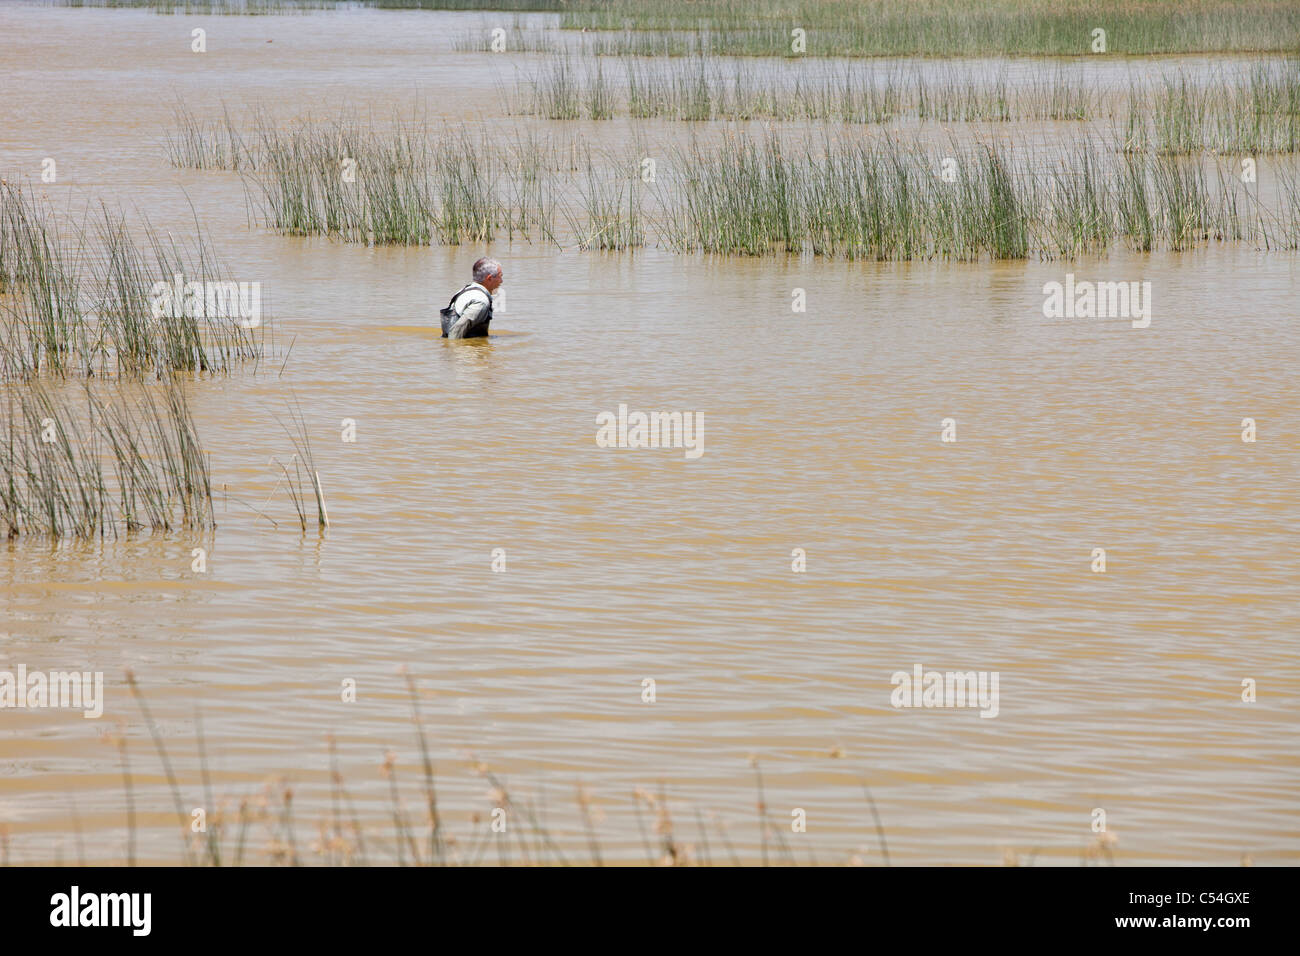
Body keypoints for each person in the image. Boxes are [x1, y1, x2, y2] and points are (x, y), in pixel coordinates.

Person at [440, 257, 503, 339]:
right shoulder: (481, 301)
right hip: (464, 349)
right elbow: (456, 331)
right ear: (489, 278)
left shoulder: (464, 291)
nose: (501, 281)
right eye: (500, 276)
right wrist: (454, 350)